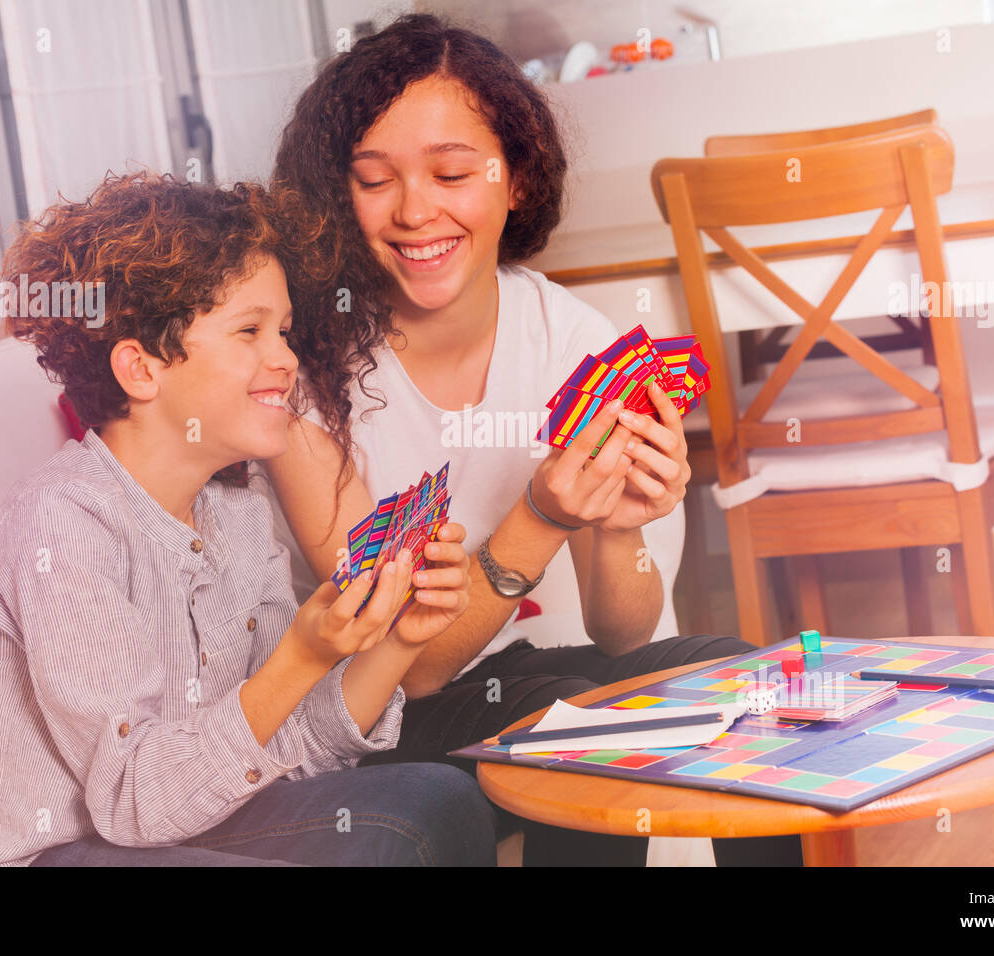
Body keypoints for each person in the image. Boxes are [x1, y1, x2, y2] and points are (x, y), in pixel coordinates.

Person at [261, 14, 800, 866]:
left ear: (514, 181)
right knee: (573, 727)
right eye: (375, 180)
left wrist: (621, 526)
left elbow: (626, 636)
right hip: (367, 718)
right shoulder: (304, 382)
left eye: (451, 172)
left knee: (745, 680)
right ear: (339, 195)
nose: (415, 211)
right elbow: (406, 673)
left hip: (518, 675)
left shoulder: (572, 339)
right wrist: (543, 517)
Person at [0, 171, 494, 867]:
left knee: (440, 798)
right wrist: (303, 655)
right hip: (56, 855)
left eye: (281, 330)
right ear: (141, 370)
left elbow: (294, 750)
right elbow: (137, 800)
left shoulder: (238, 516)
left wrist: (399, 637)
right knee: (396, 832)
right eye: (249, 330)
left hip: (182, 822)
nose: (284, 359)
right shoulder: (63, 527)